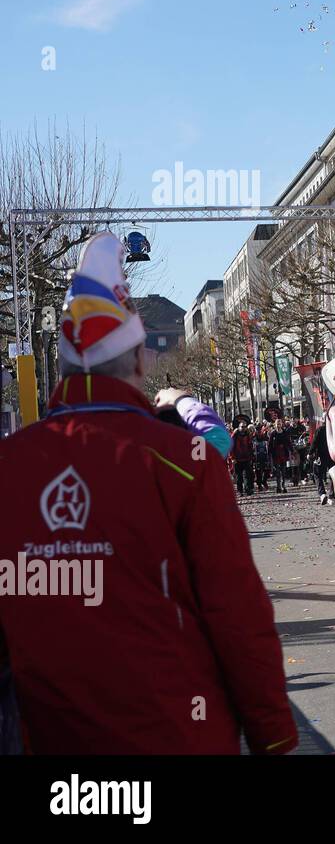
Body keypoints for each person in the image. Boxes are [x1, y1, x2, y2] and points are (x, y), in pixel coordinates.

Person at [0, 232, 296, 754]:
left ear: (63, 368)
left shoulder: (11, 466)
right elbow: (237, 615)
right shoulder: (184, 461)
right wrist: (273, 736)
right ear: (139, 359)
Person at [310, 421, 335, 507]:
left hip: (321, 456)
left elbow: (315, 442)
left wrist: (310, 453)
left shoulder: (320, 430)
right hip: (332, 455)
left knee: (317, 474)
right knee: (333, 475)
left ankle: (322, 494)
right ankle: (332, 496)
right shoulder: (334, 429)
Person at [230, 417, 255, 496]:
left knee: (247, 475)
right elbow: (231, 447)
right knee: (239, 476)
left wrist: (251, 456)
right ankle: (240, 490)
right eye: (242, 427)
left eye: (245, 426)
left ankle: (247, 489)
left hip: (246, 458)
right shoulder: (234, 436)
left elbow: (250, 446)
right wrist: (232, 458)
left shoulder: (248, 435)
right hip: (237, 458)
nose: (243, 428)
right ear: (239, 427)